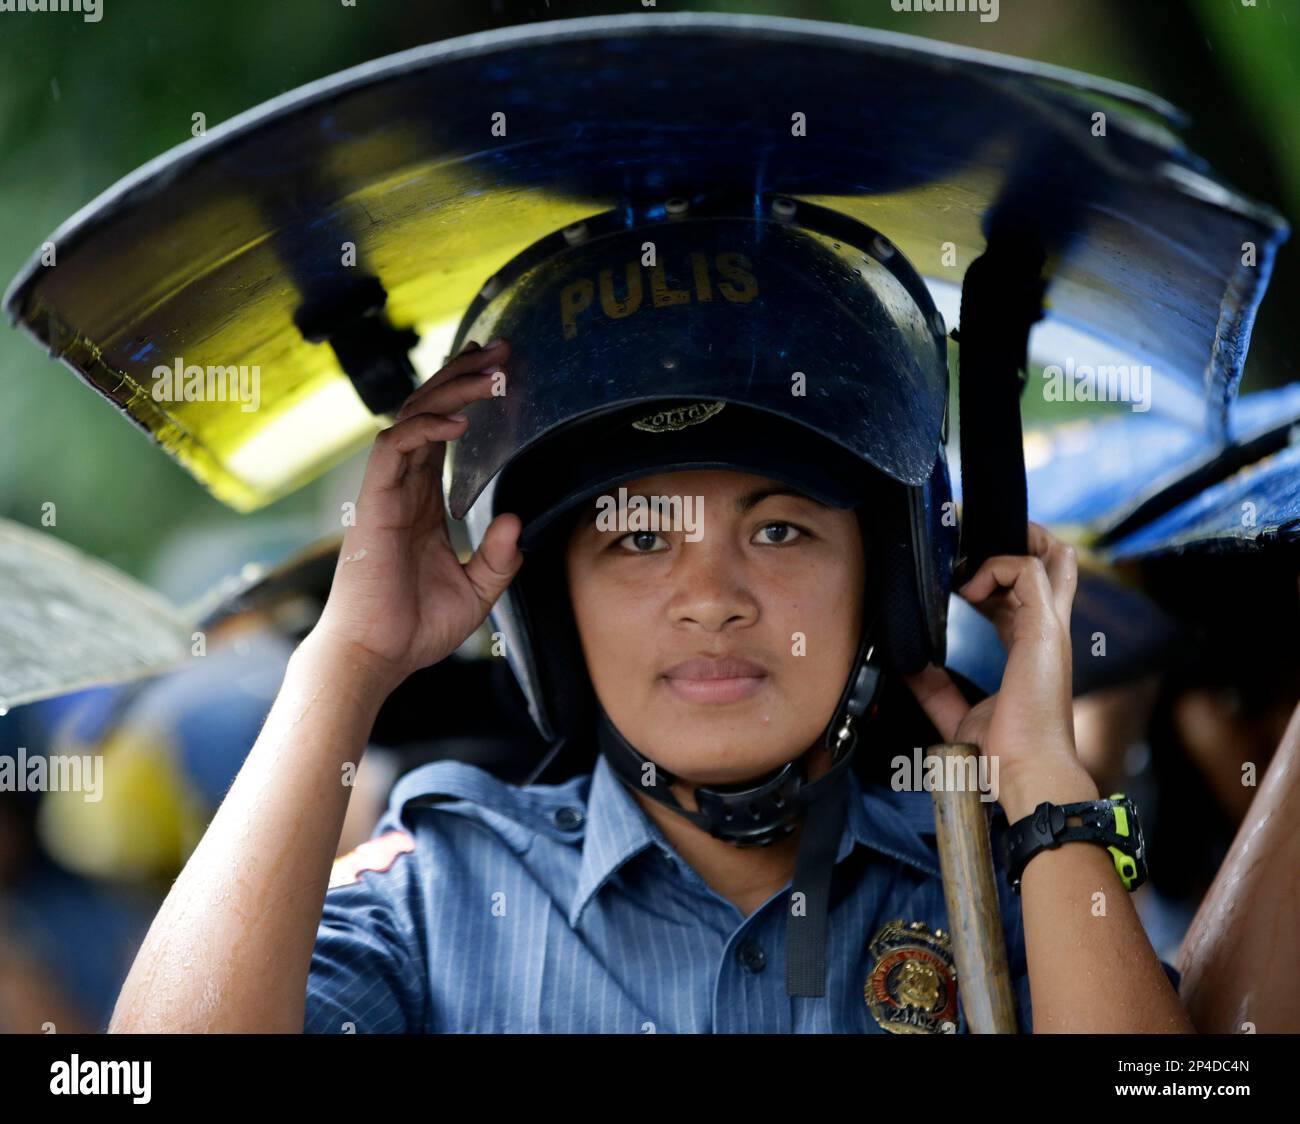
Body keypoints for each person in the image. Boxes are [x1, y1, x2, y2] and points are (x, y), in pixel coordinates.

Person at [108, 204, 1188, 1033]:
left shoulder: (1007, 885)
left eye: (778, 530)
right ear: (548, 603)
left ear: (888, 581)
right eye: (635, 537)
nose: (710, 595)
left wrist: (1045, 784)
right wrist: (344, 663)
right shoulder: (440, 894)